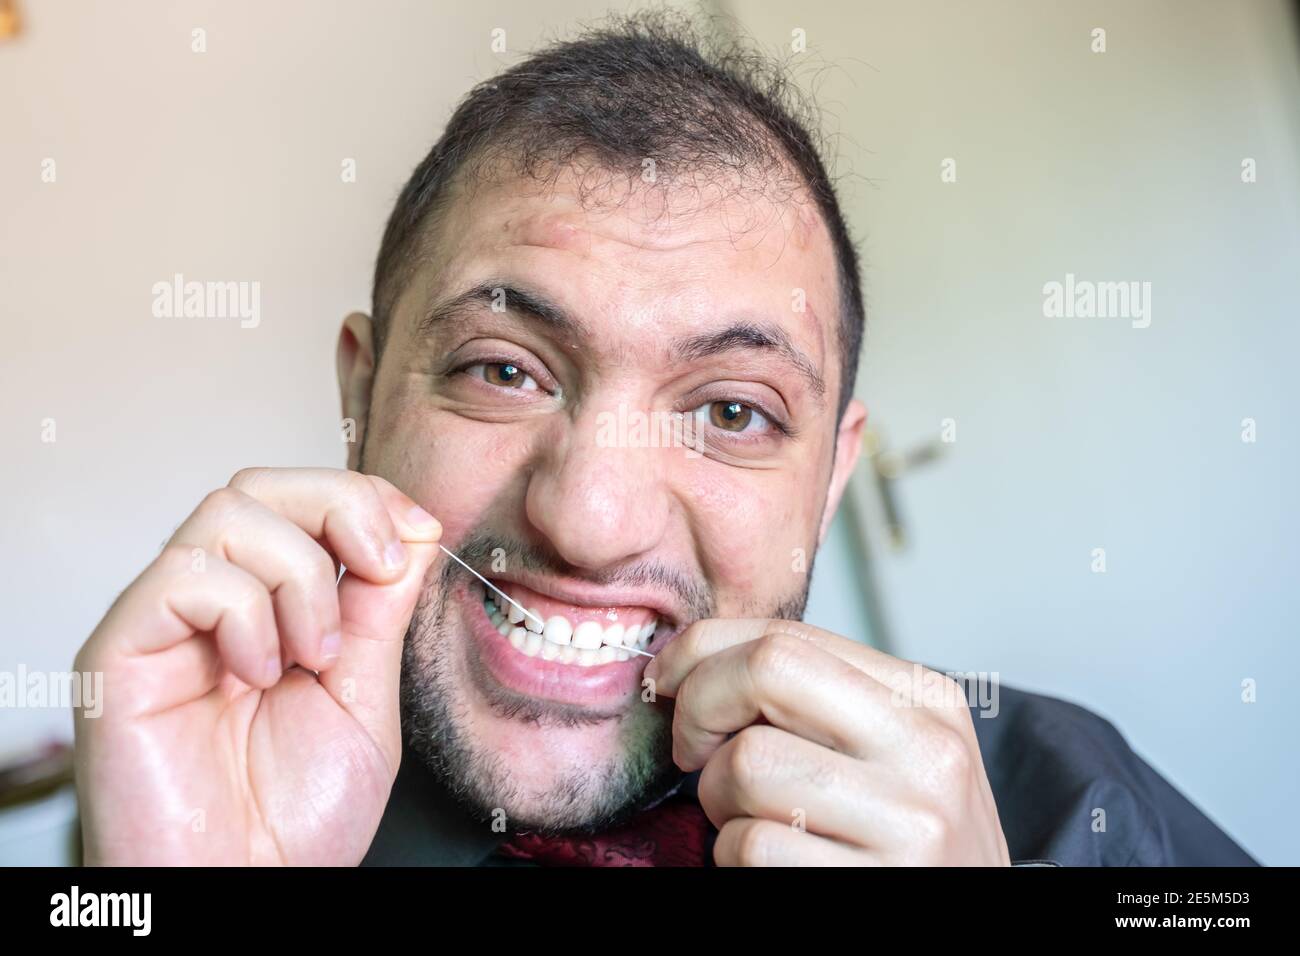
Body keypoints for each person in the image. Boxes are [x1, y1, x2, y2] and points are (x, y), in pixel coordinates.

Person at [72, 13, 1255, 867]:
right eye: (503, 370)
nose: (588, 518)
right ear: (364, 395)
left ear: (829, 477)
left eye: (731, 410)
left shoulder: (1068, 797)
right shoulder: (214, 785)